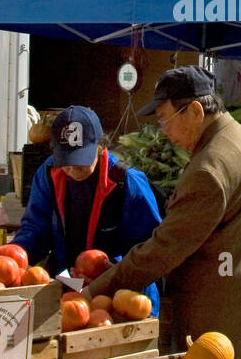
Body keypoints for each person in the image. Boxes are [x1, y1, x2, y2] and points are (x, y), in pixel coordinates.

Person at [78, 66, 241, 359]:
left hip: (222, 327)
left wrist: (97, 289)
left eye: (165, 119)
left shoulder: (208, 170)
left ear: (196, 111)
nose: (164, 132)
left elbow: (165, 248)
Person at [13, 105, 163, 316]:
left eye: (80, 160)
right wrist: (11, 259)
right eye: (66, 161)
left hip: (123, 297)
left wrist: (109, 271)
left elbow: (151, 248)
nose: (73, 169)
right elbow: (35, 230)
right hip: (68, 284)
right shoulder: (47, 174)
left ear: (100, 146)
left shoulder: (127, 182)